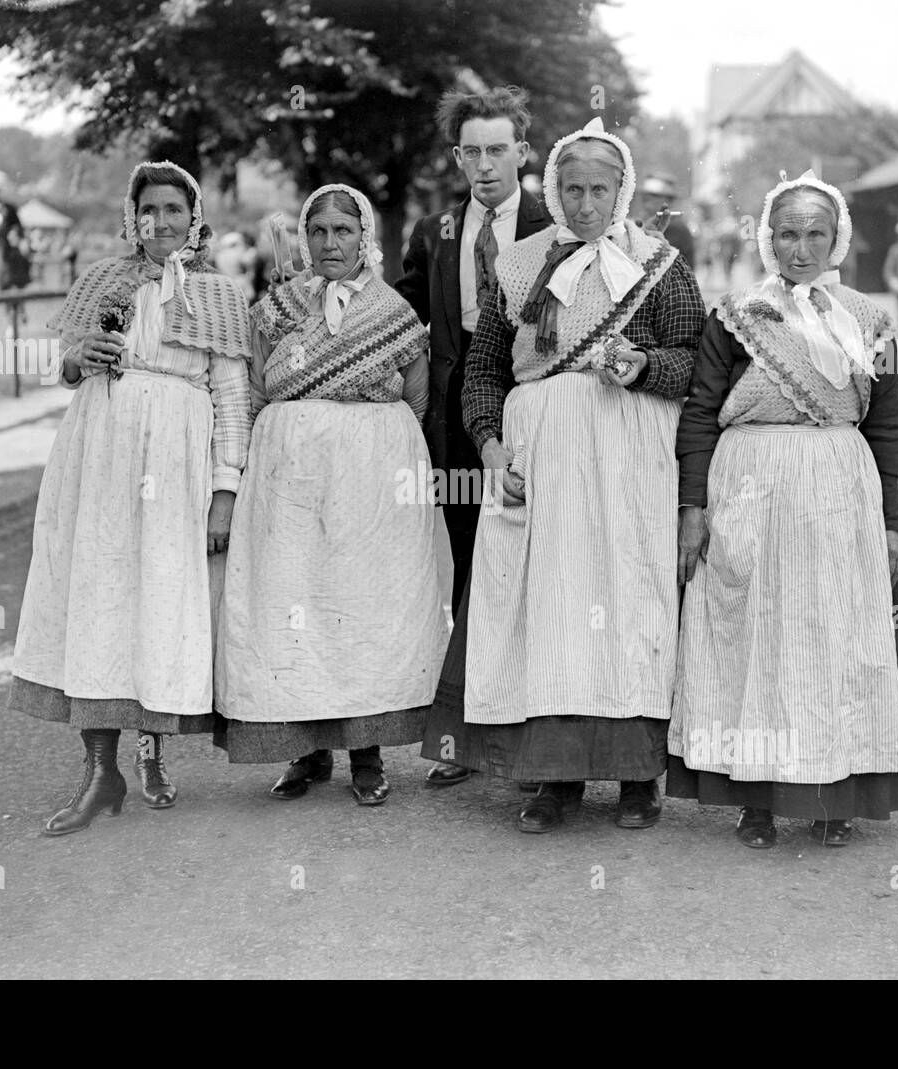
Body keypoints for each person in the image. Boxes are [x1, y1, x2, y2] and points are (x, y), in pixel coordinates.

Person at [420, 117, 707, 833]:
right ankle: (553, 778)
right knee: (548, 607)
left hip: (630, 456)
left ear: (622, 191)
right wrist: (489, 447)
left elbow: (698, 363)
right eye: (571, 189)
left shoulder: (662, 266)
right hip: (541, 459)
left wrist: (645, 366)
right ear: (552, 187)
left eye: (598, 190)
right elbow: (483, 369)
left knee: (630, 601)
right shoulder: (520, 265)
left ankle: (639, 775)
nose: (583, 204)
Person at [668, 169, 898, 849]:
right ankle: (754, 798)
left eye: (816, 233)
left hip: (837, 494)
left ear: (837, 237)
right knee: (755, 640)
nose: (800, 248)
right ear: (766, 237)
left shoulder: (867, 319)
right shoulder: (736, 313)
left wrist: (894, 521)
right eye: (787, 232)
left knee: (832, 637)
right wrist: (692, 507)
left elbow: (890, 427)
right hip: (750, 490)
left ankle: (830, 794)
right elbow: (700, 412)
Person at [9, 161, 253, 836]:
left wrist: (225, 490)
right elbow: (61, 370)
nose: (161, 222)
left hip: (175, 460)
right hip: (100, 452)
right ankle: (99, 770)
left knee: (158, 602)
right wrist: (81, 354)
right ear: (132, 216)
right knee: (98, 597)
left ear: (193, 215)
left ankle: (150, 754)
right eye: (148, 210)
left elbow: (233, 397)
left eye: (174, 209)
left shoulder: (217, 293)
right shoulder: (104, 280)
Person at [213, 184, 447, 807]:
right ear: (306, 238)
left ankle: (365, 753)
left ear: (364, 237)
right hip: (288, 478)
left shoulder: (393, 312)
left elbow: (416, 400)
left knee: (359, 606)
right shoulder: (277, 308)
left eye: (344, 231)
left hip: (369, 481)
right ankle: (305, 749)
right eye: (318, 232)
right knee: (292, 600)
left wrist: (380, 458)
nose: (330, 243)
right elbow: (259, 388)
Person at [394, 85, 552, 788]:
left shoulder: (561, 223)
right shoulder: (436, 233)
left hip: (540, 417)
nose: (485, 165)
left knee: (540, 565)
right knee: (466, 569)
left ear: (522, 152)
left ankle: (541, 738)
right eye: (472, 152)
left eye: (499, 150)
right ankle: (469, 735)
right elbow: (397, 309)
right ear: (457, 157)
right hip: (455, 424)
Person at [638, 173, 695, 267]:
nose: (646, 199)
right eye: (645, 194)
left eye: (654, 195)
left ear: (668, 200)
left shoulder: (676, 228)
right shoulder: (645, 221)